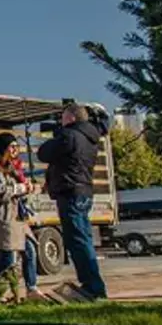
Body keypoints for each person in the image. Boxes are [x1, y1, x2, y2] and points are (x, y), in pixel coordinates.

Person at [37, 103, 108, 301]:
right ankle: (93, 283)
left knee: (78, 240)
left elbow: (43, 153)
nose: (61, 121)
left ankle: (93, 286)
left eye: (63, 117)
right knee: (83, 238)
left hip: (71, 191)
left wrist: (60, 133)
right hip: (83, 190)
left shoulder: (69, 136)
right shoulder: (90, 136)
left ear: (72, 119)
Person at [0, 134, 40, 302]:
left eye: (17, 146)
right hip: (5, 219)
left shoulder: (15, 168)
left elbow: (19, 190)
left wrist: (29, 188)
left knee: (30, 249)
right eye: (12, 146)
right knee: (7, 259)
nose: (15, 150)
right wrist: (21, 188)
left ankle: (32, 288)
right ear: (3, 148)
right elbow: (0, 192)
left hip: (19, 218)